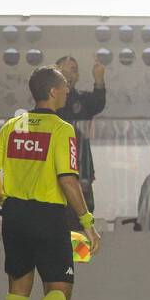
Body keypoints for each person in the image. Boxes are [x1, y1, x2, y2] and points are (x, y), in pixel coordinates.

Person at [0, 67, 100, 300]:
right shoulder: (62, 130)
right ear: (52, 92)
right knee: (61, 289)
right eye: (64, 88)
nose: (68, 92)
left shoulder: (12, 126)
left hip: (15, 214)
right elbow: (68, 181)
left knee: (18, 286)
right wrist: (87, 222)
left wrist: (5, 201)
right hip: (49, 215)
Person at [54, 55, 106, 220]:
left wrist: (99, 79)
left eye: (74, 71)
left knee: (82, 224)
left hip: (81, 174)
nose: (69, 74)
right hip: (55, 177)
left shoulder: (82, 100)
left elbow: (98, 102)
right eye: (65, 70)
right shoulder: (48, 101)